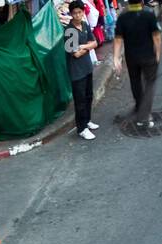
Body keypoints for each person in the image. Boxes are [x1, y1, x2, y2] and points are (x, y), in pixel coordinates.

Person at [112, 0, 162, 129]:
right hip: (148, 56)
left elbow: (118, 39)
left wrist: (116, 58)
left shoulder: (122, 17)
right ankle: (144, 116)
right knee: (150, 83)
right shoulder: (149, 14)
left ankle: (139, 106)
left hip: (131, 57)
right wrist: (157, 53)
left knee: (135, 82)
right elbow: (156, 36)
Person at [65, 1, 101, 140]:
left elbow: (95, 43)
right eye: (75, 13)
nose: (78, 15)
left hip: (87, 68)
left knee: (88, 97)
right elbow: (75, 54)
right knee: (80, 101)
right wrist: (88, 46)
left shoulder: (85, 25)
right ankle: (81, 128)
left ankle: (87, 121)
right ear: (71, 14)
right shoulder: (69, 31)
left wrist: (83, 46)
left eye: (80, 12)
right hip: (76, 72)